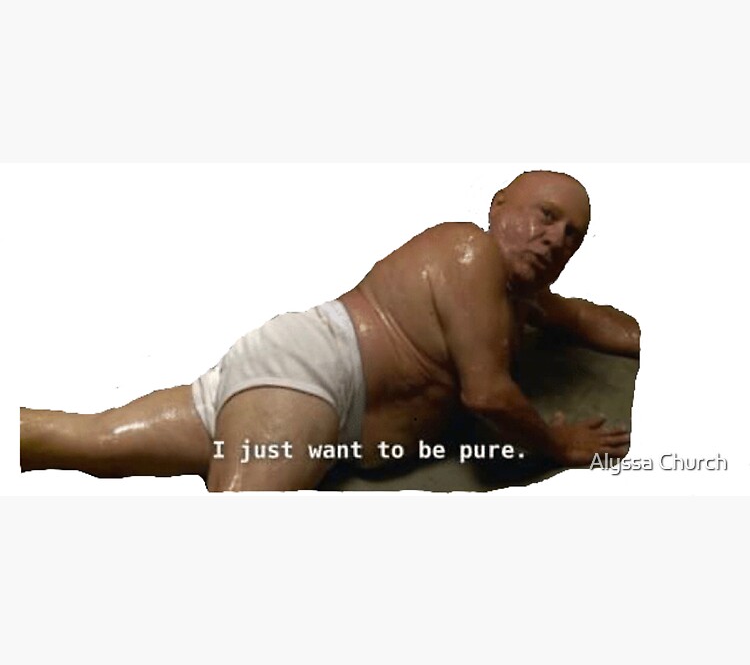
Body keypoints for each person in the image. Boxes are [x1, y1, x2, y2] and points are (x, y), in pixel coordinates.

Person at [20, 171, 638, 491]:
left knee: (93, 440)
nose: (555, 239)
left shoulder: (519, 301)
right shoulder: (470, 253)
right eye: (545, 216)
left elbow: (593, 321)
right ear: (499, 205)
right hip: (312, 378)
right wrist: (559, 445)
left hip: (290, 380)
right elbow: (488, 395)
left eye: (572, 236)